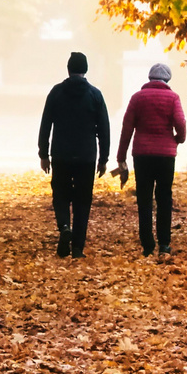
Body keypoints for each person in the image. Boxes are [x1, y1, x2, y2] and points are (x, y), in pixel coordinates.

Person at [37, 51, 110, 259]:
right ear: (85, 70)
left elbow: (46, 125)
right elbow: (104, 129)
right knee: (82, 200)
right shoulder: (95, 95)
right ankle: (78, 247)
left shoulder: (56, 93)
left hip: (61, 154)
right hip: (86, 156)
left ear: (68, 69)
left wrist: (44, 153)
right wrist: (103, 159)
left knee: (60, 195)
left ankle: (64, 227)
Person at [116, 62, 187, 257]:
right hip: (165, 156)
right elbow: (180, 122)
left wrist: (121, 157)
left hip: (142, 155)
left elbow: (127, 128)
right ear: (167, 80)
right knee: (164, 198)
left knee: (145, 199)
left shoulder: (137, 98)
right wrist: (178, 140)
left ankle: (147, 244)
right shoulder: (173, 98)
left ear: (149, 79)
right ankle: (164, 243)